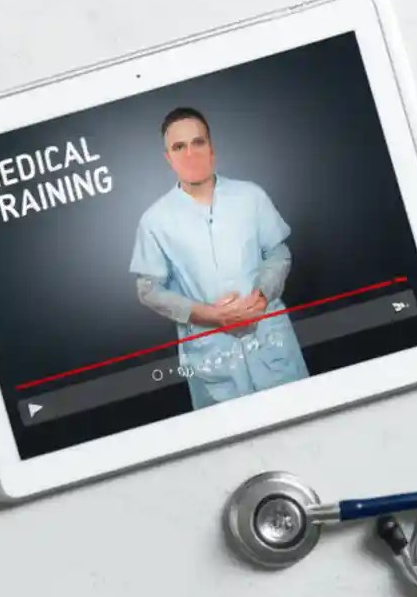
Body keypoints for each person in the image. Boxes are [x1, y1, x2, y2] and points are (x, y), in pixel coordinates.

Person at [130, 107, 309, 409]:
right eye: (179, 147)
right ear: (168, 158)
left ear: (212, 149)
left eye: (198, 142)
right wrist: (210, 316)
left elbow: (278, 252)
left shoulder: (250, 196)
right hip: (211, 354)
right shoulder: (155, 220)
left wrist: (261, 296)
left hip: (269, 339)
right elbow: (148, 289)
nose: (190, 153)